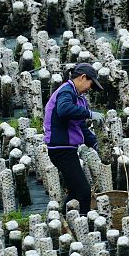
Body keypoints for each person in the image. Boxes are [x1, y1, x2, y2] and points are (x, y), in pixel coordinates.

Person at [43, 62, 103, 213]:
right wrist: (89, 113)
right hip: (61, 150)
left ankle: (62, 219)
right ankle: (85, 223)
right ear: (83, 77)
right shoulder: (66, 91)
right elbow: (63, 110)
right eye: (90, 83)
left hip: (67, 149)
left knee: (75, 191)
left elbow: (80, 126)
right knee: (83, 191)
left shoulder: (78, 97)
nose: (90, 89)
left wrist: (94, 143)